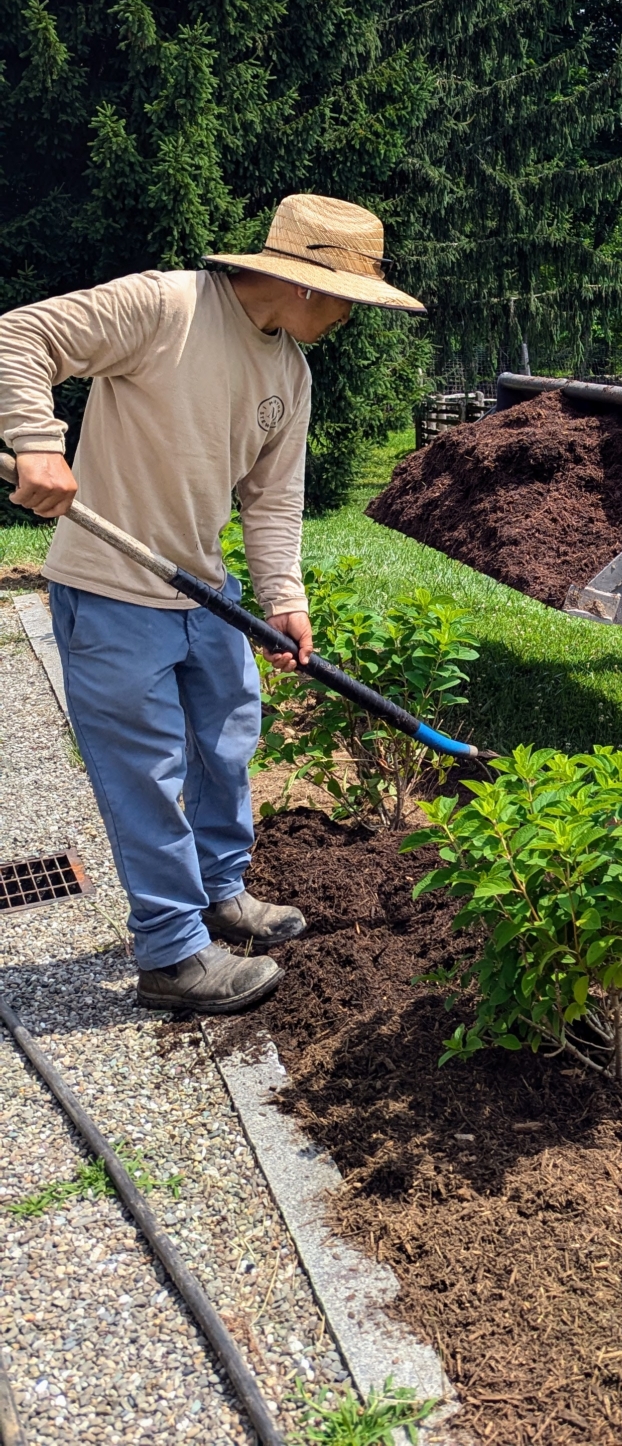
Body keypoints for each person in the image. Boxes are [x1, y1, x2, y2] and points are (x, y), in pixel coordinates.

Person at [0, 195, 425, 1015]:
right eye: (350, 300)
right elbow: (19, 334)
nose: (352, 318)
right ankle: (169, 954)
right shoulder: (165, 306)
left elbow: (272, 500)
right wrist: (38, 443)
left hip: (205, 593)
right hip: (113, 588)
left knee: (229, 744)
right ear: (305, 285)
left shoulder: (290, 371)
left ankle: (220, 892)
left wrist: (285, 599)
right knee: (147, 776)